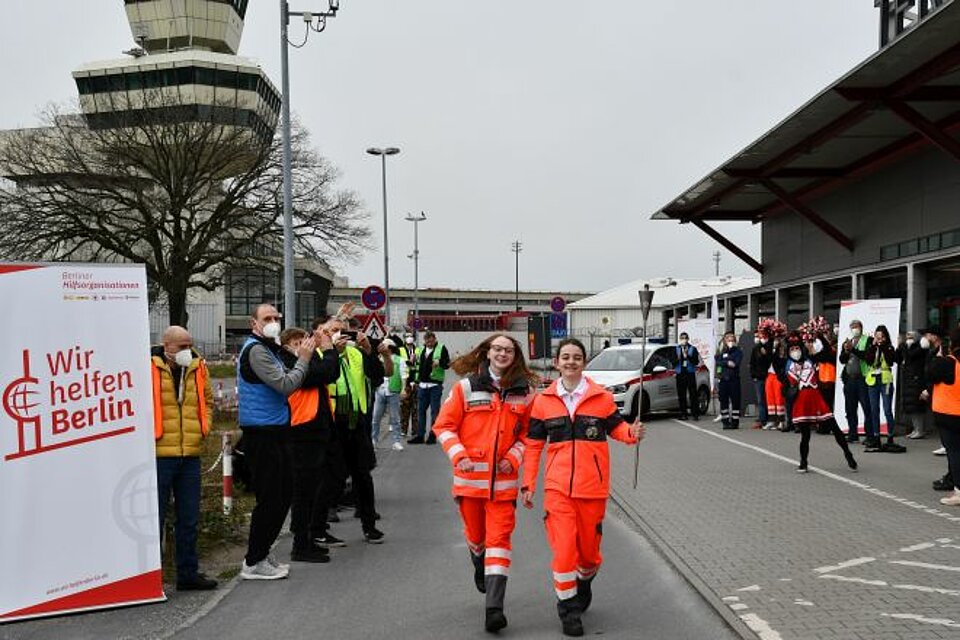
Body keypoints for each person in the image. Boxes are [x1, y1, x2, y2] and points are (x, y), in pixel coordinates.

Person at [522, 338, 645, 638]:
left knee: (588, 555)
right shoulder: (543, 401)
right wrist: (528, 484)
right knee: (563, 551)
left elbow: (617, 428)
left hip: (593, 489)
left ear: (584, 362)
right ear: (557, 362)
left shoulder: (601, 398)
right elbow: (534, 445)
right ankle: (568, 611)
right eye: (566, 357)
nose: (571, 361)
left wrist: (632, 433)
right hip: (557, 489)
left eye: (577, 357)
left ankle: (584, 581)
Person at [432, 333, 537, 633]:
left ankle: (494, 609)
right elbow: (443, 426)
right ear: (487, 353)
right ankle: (478, 560)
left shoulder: (525, 392)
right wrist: (459, 455)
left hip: (503, 486)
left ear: (515, 357)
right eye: (498, 349)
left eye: (509, 350)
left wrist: (514, 457)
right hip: (469, 483)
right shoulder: (466, 388)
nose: (503, 354)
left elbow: (529, 434)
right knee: (477, 538)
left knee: (499, 543)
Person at [237, 304, 316, 580]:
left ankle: (262, 552)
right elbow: (285, 384)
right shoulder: (256, 350)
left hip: (275, 428)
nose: (273, 322)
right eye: (267, 318)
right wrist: (304, 359)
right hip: (262, 432)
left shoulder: (268, 347)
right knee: (271, 497)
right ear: (253, 323)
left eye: (276, 318)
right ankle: (253, 560)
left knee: (282, 494)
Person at [312, 315, 388, 546]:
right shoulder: (315, 355)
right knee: (331, 478)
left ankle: (369, 525)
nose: (338, 334)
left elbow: (376, 377)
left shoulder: (354, 353)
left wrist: (369, 351)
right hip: (331, 423)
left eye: (342, 330)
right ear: (318, 333)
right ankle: (318, 527)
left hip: (356, 422)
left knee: (363, 476)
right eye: (332, 330)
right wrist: (331, 350)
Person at [151, 326, 217, 591]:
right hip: (159, 454)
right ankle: (152, 578)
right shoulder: (149, 368)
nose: (186, 351)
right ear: (166, 345)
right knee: (155, 519)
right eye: (181, 347)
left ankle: (187, 573)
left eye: (189, 345)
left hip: (190, 453)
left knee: (189, 518)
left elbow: (209, 401)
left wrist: (205, 427)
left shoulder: (198, 367)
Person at [278, 327, 341, 563]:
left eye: (303, 340)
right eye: (296, 342)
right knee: (302, 492)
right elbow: (322, 374)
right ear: (286, 346)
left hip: (317, 430)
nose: (302, 345)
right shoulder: (287, 361)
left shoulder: (307, 360)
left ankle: (310, 537)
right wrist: (327, 349)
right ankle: (300, 544)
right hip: (301, 432)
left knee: (315, 488)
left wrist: (326, 350)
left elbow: (330, 372)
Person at [783, 333, 857, 473]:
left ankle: (848, 454)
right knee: (805, 435)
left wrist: (821, 336)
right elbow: (785, 390)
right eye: (792, 350)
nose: (795, 352)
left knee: (834, 428)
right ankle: (803, 462)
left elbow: (828, 352)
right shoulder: (787, 367)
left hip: (817, 398)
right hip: (802, 402)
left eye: (797, 348)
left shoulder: (811, 359)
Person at [926, 328, 960, 507]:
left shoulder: (947, 363)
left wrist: (937, 355)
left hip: (949, 415)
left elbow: (930, 372)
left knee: (954, 452)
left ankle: (959, 491)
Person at [864, 325, 903, 453]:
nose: (879, 338)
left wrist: (883, 346)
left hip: (885, 380)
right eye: (877, 336)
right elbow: (868, 360)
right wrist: (873, 346)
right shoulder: (871, 347)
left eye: (881, 336)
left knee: (887, 410)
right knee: (874, 410)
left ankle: (890, 436)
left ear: (885, 337)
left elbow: (891, 361)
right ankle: (876, 437)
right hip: (872, 380)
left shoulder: (889, 347)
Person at [409, 331, 450, 444]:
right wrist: (413, 360)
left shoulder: (442, 348)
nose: (429, 342)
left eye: (431, 340)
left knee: (434, 411)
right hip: (422, 385)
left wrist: (440, 362)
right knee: (420, 410)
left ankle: (433, 435)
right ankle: (420, 435)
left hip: (435, 385)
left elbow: (447, 364)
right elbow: (416, 365)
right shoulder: (421, 350)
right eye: (427, 341)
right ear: (424, 341)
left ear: (434, 339)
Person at [839, 319, 873, 444]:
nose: (854, 329)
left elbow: (866, 356)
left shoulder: (867, 340)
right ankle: (853, 434)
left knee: (866, 408)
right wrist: (847, 350)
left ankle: (869, 435)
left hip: (862, 379)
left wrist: (852, 349)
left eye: (856, 326)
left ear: (861, 327)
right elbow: (842, 360)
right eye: (852, 326)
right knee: (850, 408)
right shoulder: (848, 342)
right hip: (850, 380)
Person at [371, 338, 406, 451]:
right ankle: (374, 440)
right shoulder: (378, 359)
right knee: (376, 418)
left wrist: (403, 389)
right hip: (380, 391)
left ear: (390, 348)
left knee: (395, 418)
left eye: (384, 347)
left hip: (393, 391)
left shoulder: (399, 360)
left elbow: (403, 375)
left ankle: (396, 442)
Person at [896, 330, 928, 440]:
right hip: (908, 379)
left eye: (911, 336)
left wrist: (902, 345)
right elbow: (898, 359)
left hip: (917, 379)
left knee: (917, 406)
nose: (908, 338)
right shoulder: (906, 347)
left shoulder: (920, 347)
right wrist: (899, 347)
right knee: (911, 406)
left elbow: (910, 356)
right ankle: (915, 429)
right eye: (907, 336)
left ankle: (920, 430)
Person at [716, 331, 743, 429]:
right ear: (725, 340)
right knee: (724, 401)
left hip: (734, 379)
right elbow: (718, 361)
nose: (730, 341)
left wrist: (725, 361)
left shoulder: (738, 351)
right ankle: (725, 422)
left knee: (735, 401)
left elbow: (736, 362)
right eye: (728, 339)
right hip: (723, 380)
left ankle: (735, 422)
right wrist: (727, 363)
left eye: (732, 339)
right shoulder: (721, 351)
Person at [749, 330, 773, 429]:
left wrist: (766, 354)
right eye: (760, 336)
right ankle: (762, 420)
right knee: (761, 400)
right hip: (759, 378)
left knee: (769, 399)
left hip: (769, 376)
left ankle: (771, 419)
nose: (761, 338)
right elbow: (752, 363)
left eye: (764, 335)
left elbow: (771, 361)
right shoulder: (756, 348)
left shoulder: (771, 347)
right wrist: (754, 375)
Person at [675, 332, 700, 420]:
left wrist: (688, 356)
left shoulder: (693, 349)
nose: (684, 339)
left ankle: (695, 414)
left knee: (693, 394)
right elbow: (672, 361)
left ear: (688, 339)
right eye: (682, 338)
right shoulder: (676, 348)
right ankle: (683, 414)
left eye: (685, 338)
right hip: (680, 373)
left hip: (690, 373)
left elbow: (696, 362)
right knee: (681, 395)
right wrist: (677, 359)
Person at [399, 334, 419, 437]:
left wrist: (415, 361)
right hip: (405, 382)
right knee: (404, 408)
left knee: (416, 408)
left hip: (415, 382)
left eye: (411, 344)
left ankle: (415, 430)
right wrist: (409, 363)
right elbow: (400, 365)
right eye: (408, 344)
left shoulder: (418, 351)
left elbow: (420, 365)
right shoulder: (400, 350)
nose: (410, 346)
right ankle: (403, 429)